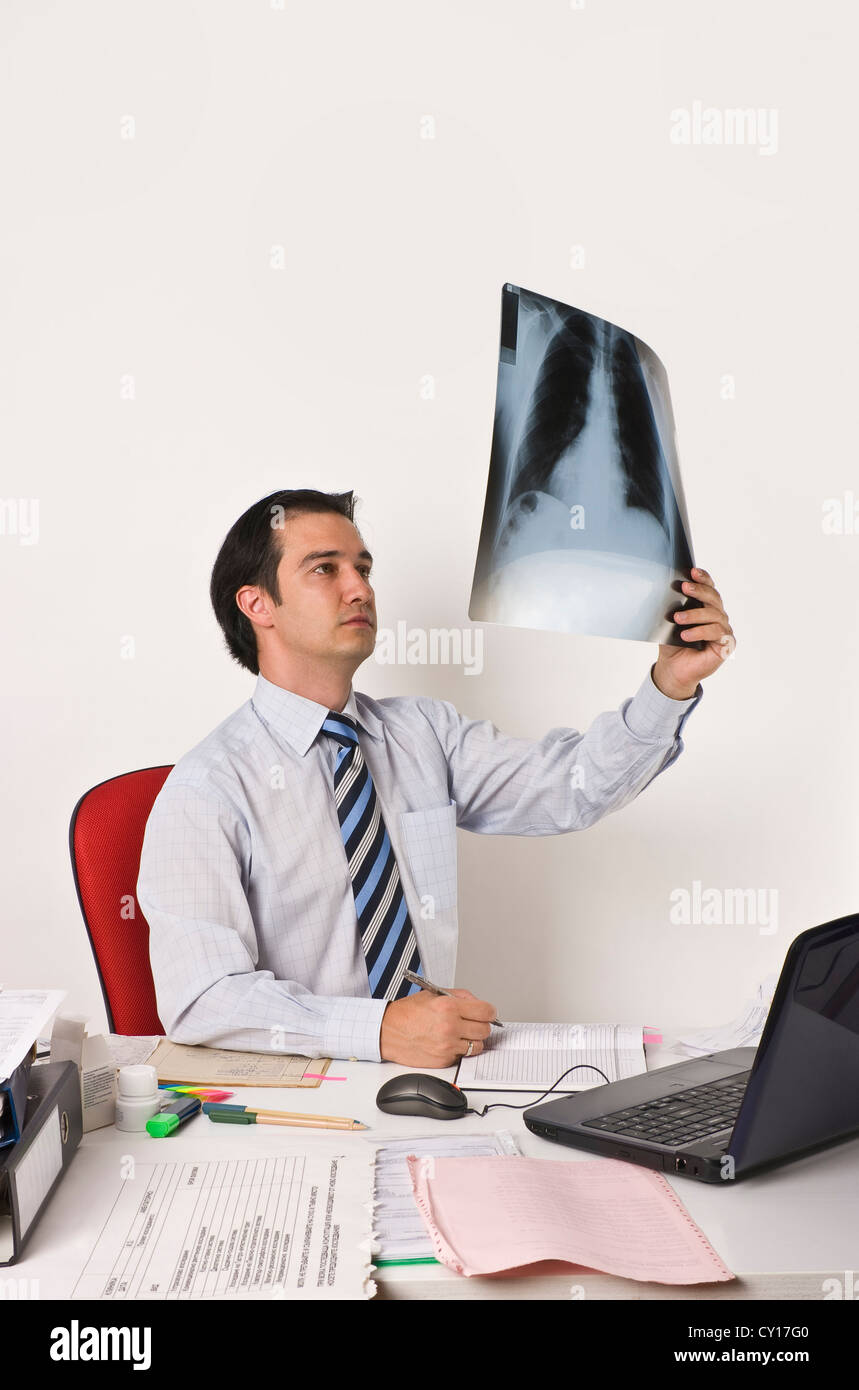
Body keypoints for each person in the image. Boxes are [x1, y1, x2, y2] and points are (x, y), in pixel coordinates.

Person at [137, 487, 735, 1069]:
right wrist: (379, 1030)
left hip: (434, 1073)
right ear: (256, 604)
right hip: (302, 1095)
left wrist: (669, 686)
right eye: (325, 569)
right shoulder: (206, 790)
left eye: (363, 569)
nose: (360, 589)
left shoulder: (421, 732)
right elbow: (203, 999)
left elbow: (571, 789)